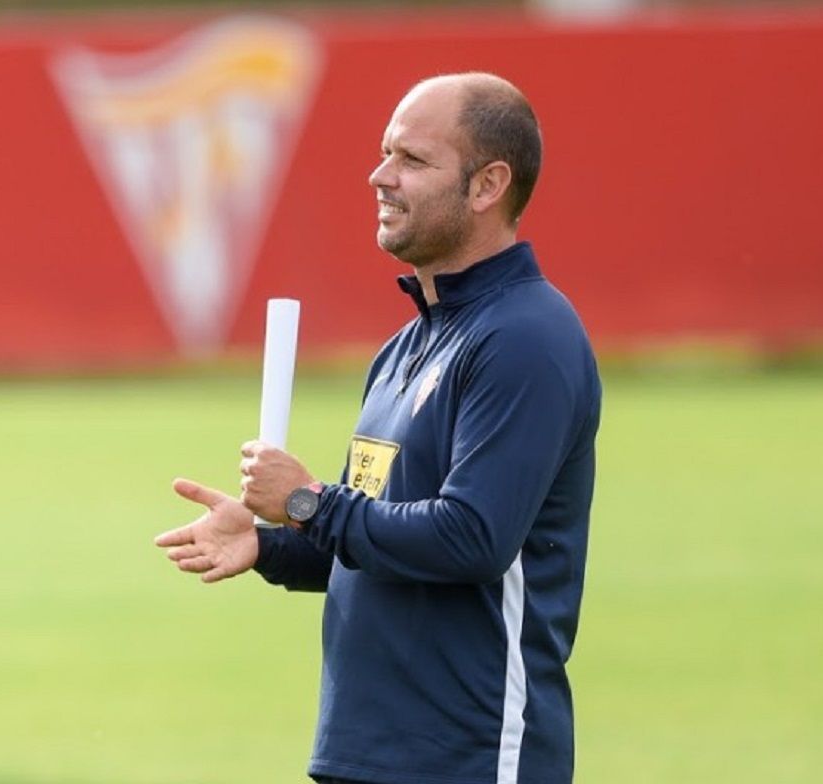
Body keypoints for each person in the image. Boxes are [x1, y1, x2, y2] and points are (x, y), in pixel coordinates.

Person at [154, 72, 601, 784]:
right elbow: (379, 541)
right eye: (384, 153)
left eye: (412, 160)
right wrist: (269, 545)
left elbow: (471, 540)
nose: (379, 176)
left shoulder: (525, 337)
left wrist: (307, 502)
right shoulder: (407, 346)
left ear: (487, 186)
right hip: (367, 753)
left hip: (471, 757)